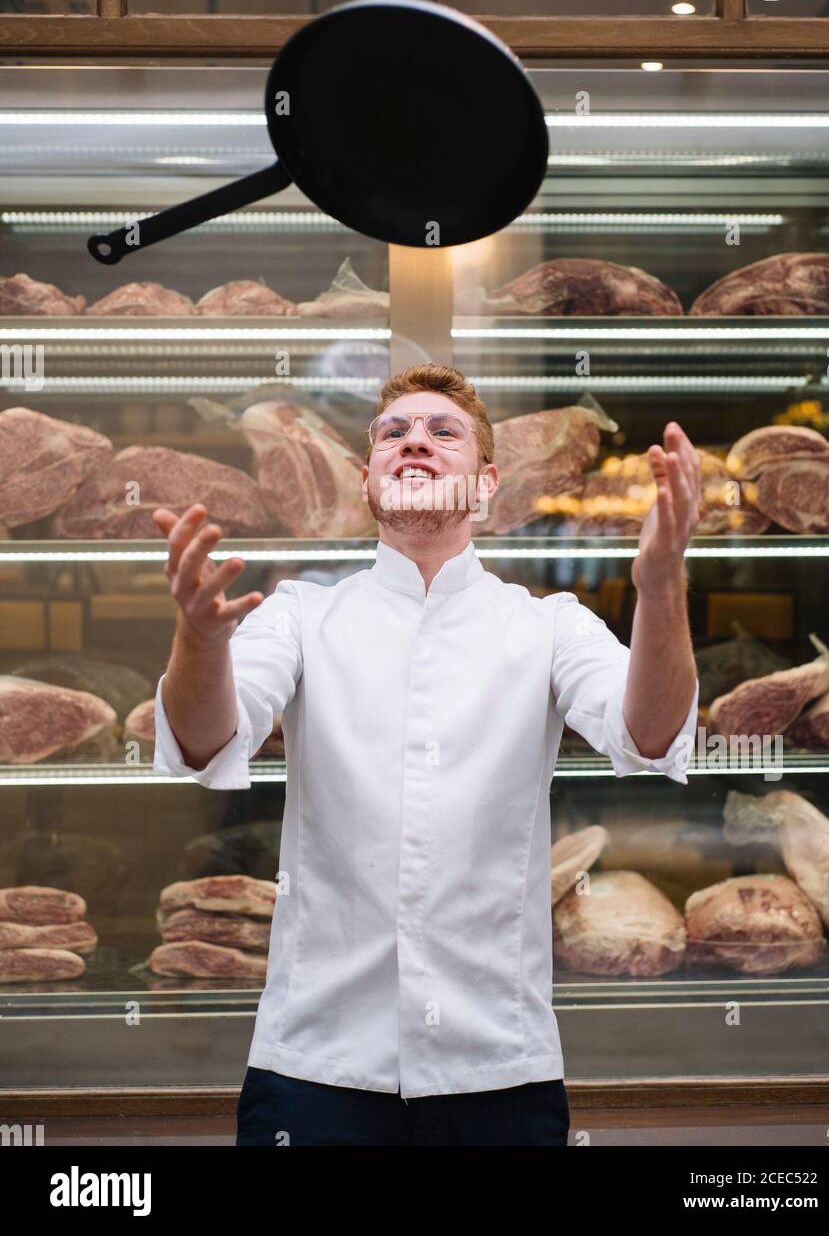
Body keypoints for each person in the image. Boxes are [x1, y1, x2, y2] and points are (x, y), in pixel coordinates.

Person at [152, 363, 700, 1147]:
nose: (415, 442)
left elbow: (648, 734)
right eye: (393, 433)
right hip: (316, 1067)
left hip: (498, 1069)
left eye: (444, 433)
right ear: (368, 479)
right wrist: (200, 641)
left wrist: (661, 586)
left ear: (485, 483)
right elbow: (208, 737)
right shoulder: (303, 614)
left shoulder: (549, 625)